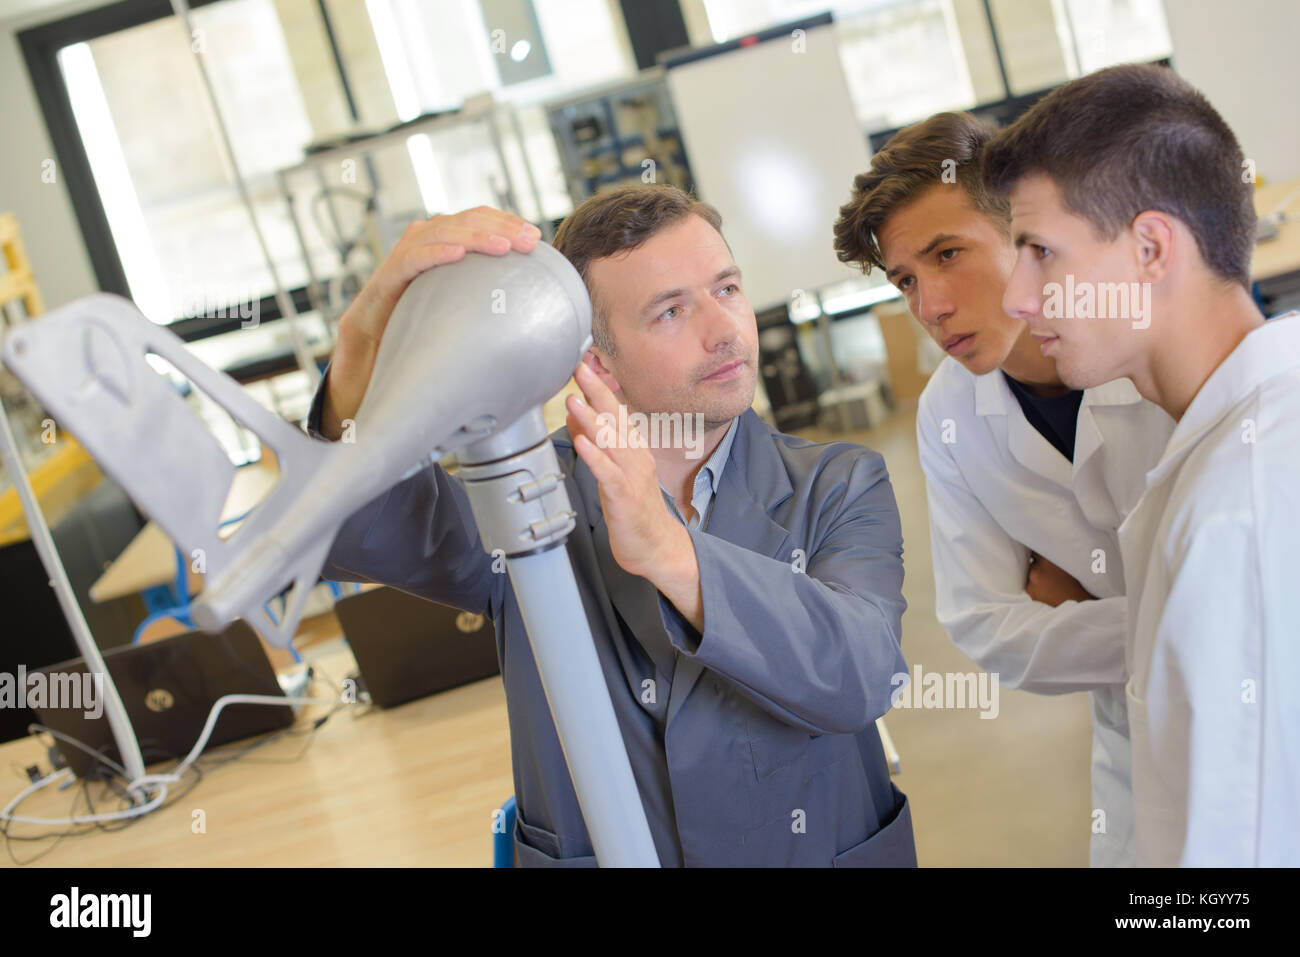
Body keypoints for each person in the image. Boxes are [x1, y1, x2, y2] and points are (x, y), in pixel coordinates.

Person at [307, 191, 917, 866]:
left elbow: (862, 674)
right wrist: (359, 343)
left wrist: (669, 550)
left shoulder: (839, 483)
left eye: (727, 288)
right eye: (672, 310)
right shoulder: (526, 494)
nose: (724, 329)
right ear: (598, 363)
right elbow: (354, 524)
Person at [833, 111, 1175, 866]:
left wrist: (1085, 614)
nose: (931, 306)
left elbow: (1262, 591)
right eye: (907, 281)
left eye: (949, 254)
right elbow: (986, 625)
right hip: (1136, 750)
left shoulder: (1157, 352)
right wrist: (1163, 623)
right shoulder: (950, 413)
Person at [983, 62, 1299, 866]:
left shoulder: (1240, 505)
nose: (1016, 295)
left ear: (1152, 248)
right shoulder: (1243, 433)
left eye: (1041, 252)